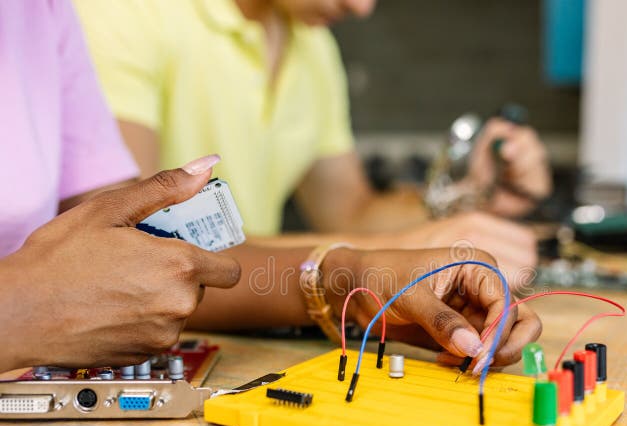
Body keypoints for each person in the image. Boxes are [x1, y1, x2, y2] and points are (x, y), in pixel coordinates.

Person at [0, 0, 541, 374]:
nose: (362, 9)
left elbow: (128, 265)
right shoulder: (118, 15)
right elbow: (121, 268)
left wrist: (352, 279)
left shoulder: (43, 13)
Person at [74, 0, 552, 288]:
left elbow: (351, 216)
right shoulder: (123, 12)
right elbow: (128, 245)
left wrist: (473, 193)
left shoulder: (313, 47)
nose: (362, 8)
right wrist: (381, 255)